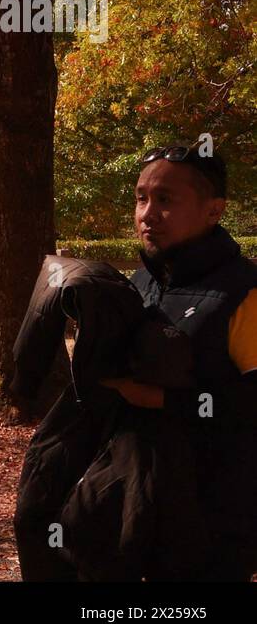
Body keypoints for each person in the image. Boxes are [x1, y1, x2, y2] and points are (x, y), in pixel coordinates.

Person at [99, 143, 257, 580]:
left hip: (215, 522)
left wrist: (164, 401)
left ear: (213, 211)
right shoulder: (141, 281)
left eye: (165, 200)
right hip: (136, 502)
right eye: (140, 197)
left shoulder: (244, 293)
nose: (147, 214)